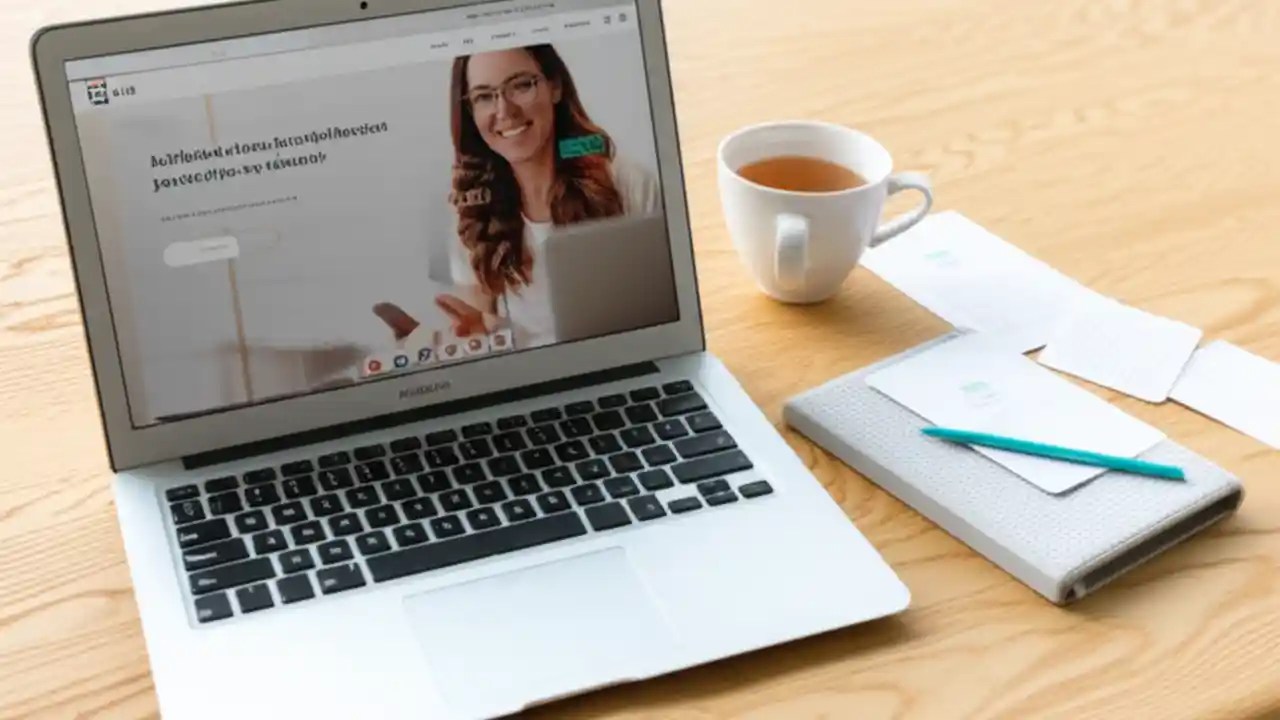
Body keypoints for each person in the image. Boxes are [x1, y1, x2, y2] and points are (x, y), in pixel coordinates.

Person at [374, 44, 661, 351]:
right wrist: (467, 340)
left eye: (521, 85)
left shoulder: (628, 183)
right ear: (470, 112)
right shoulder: (472, 209)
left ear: (555, 87)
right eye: (484, 96)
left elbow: (659, 317)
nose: (504, 111)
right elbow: (482, 327)